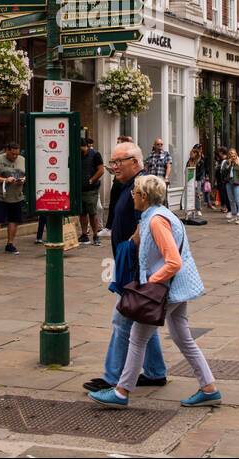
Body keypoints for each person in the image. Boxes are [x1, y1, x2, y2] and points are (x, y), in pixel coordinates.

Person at [88, 173, 220, 409]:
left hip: (165, 288)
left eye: (134, 193)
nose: (132, 196)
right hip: (177, 287)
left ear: (144, 197)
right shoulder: (158, 215)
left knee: (137, 338)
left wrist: (150, 284)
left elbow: (173, 261)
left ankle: (121, 392)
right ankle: (209, 387)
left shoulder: (156, 221)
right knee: (183, 337)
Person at [83, 142, 168, 393]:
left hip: (136, 268)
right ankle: (155, 372)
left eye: (120, 161)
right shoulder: (127, 186)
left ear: (135, 162)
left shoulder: (142, 187)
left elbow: (151, 220)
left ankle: (112, 377)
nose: (114, 166)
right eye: (113, 161)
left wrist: (133, 245)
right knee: (141, 319)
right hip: (128, 265)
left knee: (122, 321)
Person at [0, 141, 25, 257]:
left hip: (17, 195)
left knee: (13, 221)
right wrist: (4, 180)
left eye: (16, 154)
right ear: (7, 150)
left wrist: (23, 179)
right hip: (0, 196)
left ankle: (10, 244)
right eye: (12, 154)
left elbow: (26, 174)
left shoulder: (22, 160)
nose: (14, 157)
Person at [79, 137, 105, 244]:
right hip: (79, 189)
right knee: (82, 213)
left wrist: (91, 180)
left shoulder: (95, 155)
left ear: (85, 146)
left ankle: (95, 235)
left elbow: (101, 170)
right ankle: (84, 235)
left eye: (81, 149)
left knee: (92, 213)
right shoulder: (77, 155)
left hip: (91, 189)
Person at [219, 148, 239, 223]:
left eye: (234, 155)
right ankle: (234, 216)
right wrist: (228, 166)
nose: (232, 157)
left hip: (237, 183)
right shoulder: (226, 163)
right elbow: (223, 173)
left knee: (238, 200)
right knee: (231, 200)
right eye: (230, 156)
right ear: (229, 156)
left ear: (236, 155)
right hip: (228, 183)